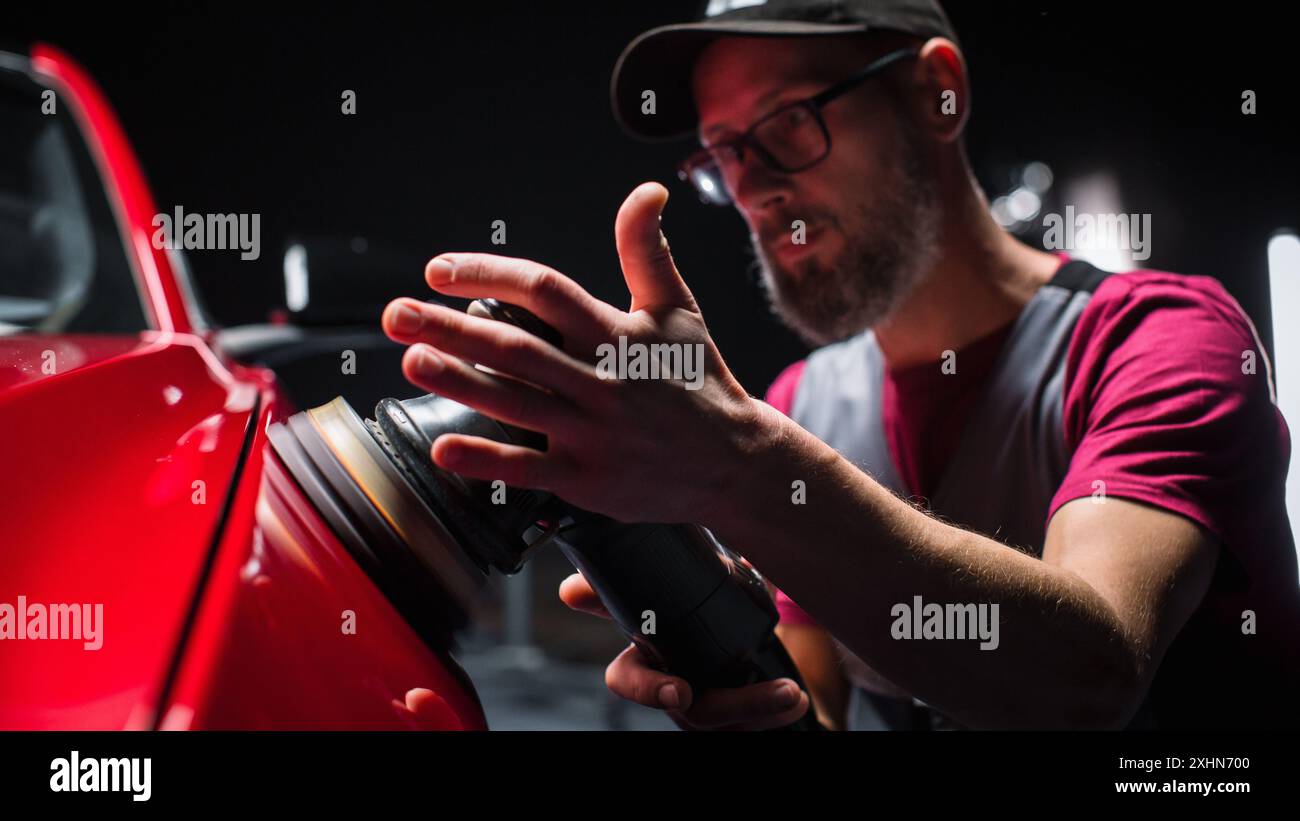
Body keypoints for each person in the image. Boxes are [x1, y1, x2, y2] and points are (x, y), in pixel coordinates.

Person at [380, 0, 1299, 729]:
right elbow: (815, 706)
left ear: (937, 90)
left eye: (789, 121)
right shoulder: (803, 402)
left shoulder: (1165, 340)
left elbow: (1091, 679)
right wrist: (727, 677)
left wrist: (735, 466)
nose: (755, 185)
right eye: (724, 153)